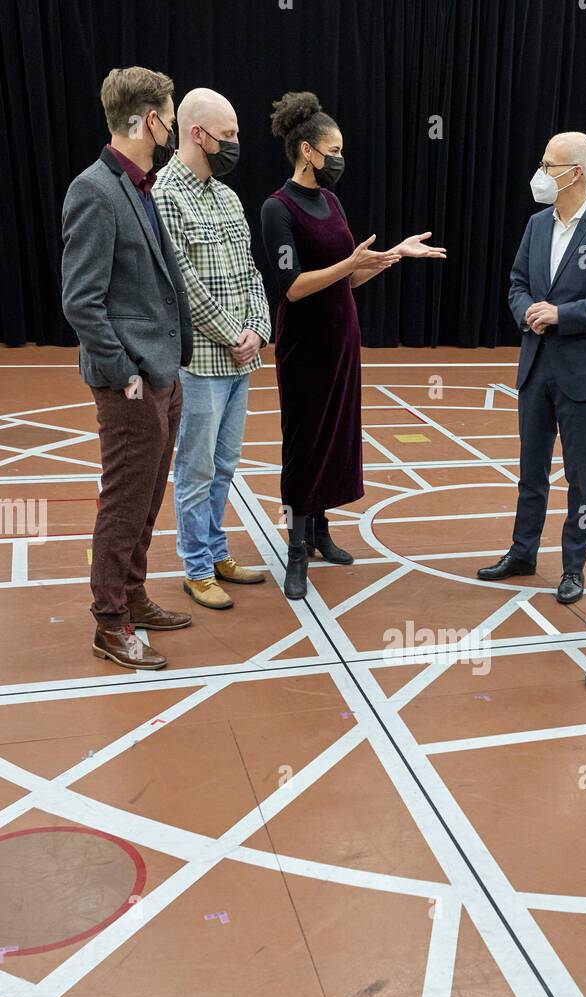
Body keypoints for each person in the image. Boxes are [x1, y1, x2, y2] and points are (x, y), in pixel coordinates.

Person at [260, 90, 446, 599]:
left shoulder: (332, 200)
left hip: (343, 339)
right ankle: (296, 549)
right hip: (304, 346)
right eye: (333, 149)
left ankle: (320, 533)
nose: (340, 159)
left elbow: (347, 278)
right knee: (303, 441)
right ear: (307, 151)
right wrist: (349, 265)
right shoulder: (277, 209)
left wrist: (394, 256)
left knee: (336, 437)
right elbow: (294, 286)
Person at [62, 66, 193, 671]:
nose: (173, 125)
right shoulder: (94, 190)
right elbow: (80, 301)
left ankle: (133, 595)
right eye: (168, 114)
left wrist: (173, 363)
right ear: (148, 120)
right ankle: (109, 623)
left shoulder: (138, 185)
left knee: (145, 496)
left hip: (163, 375)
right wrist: (126, 372)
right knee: (123, 501)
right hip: (132, 381)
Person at [478, 132, 586, 603]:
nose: (541, 173)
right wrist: (527, 308)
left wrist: (561, 314)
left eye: (550, 165)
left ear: (577, 173)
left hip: (582, 374)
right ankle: (523, 551)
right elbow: (517, 283)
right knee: (531, 470)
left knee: (581, 475)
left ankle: (573, 567)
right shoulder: (536, 224)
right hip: (535, 367)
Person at [153, 88, 272, 611]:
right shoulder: (162, 195)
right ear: (197, 134)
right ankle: (196, 568)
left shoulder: (228, 197)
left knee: (224, 465)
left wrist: (259, 328)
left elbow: (250, 271)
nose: (236, 144)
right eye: (229, 135)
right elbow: (181, 284)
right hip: (200, 364)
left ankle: (217, 551)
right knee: (196, 470)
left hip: (241, 358)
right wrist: (233, 333)